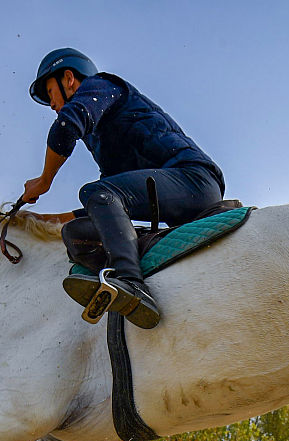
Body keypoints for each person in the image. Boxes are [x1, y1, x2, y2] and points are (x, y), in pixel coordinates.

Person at [21, 48, 226, 329]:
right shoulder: (101, 136)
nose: (51, 104)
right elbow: (105, 207)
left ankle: (131, 283)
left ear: (68, 78)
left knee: (95, 191)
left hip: (195, 180)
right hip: (171, 192)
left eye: (50, 92)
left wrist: (44, 180)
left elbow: (66, 126)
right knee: (76, 231)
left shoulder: (102, 85)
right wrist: (42, 220)